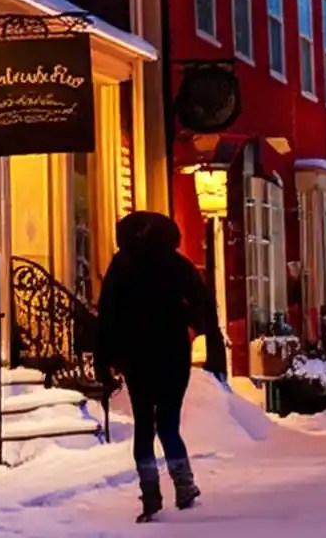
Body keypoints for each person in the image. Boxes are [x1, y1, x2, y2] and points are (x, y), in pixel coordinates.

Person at [95, 211, 227, 522]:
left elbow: (107, 316)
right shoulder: (177, 265)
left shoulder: (121, 266)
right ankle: (183, 484)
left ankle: (151, 494)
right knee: (167, 422)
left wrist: (106, 359)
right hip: (171, 353)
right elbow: (204, 305)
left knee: (145, 424)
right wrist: (193, 327)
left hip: (135, 355)